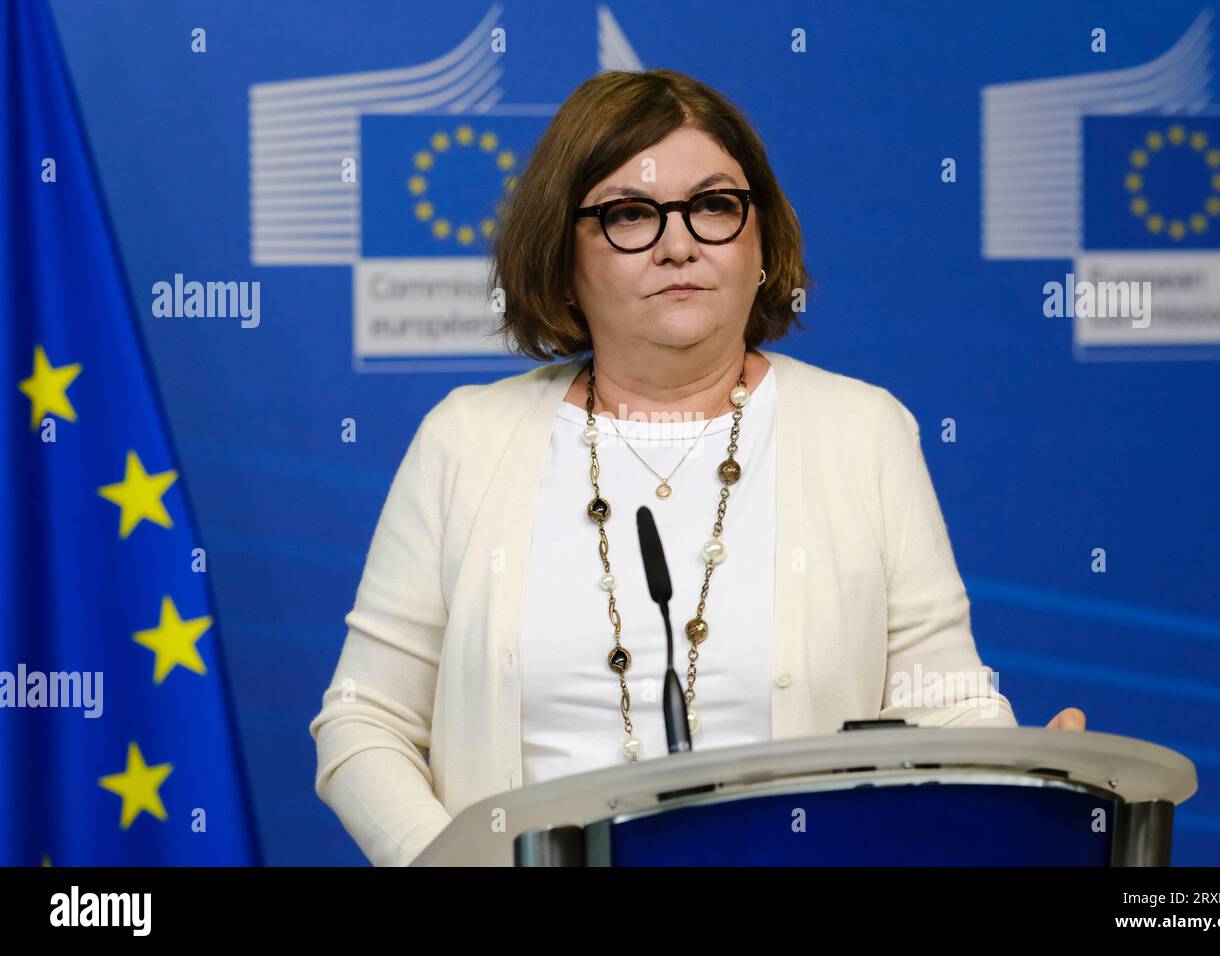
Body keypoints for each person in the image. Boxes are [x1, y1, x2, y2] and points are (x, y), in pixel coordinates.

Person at [309, 68, 1086, 867]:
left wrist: (1032, 786)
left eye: (714, 206)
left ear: (760, 243)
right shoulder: (467, 440)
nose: (679, 243)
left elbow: (944, 707)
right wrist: (448, 864)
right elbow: (363, 719)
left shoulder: (864, 432)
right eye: (630, 215)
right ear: (562, 254)